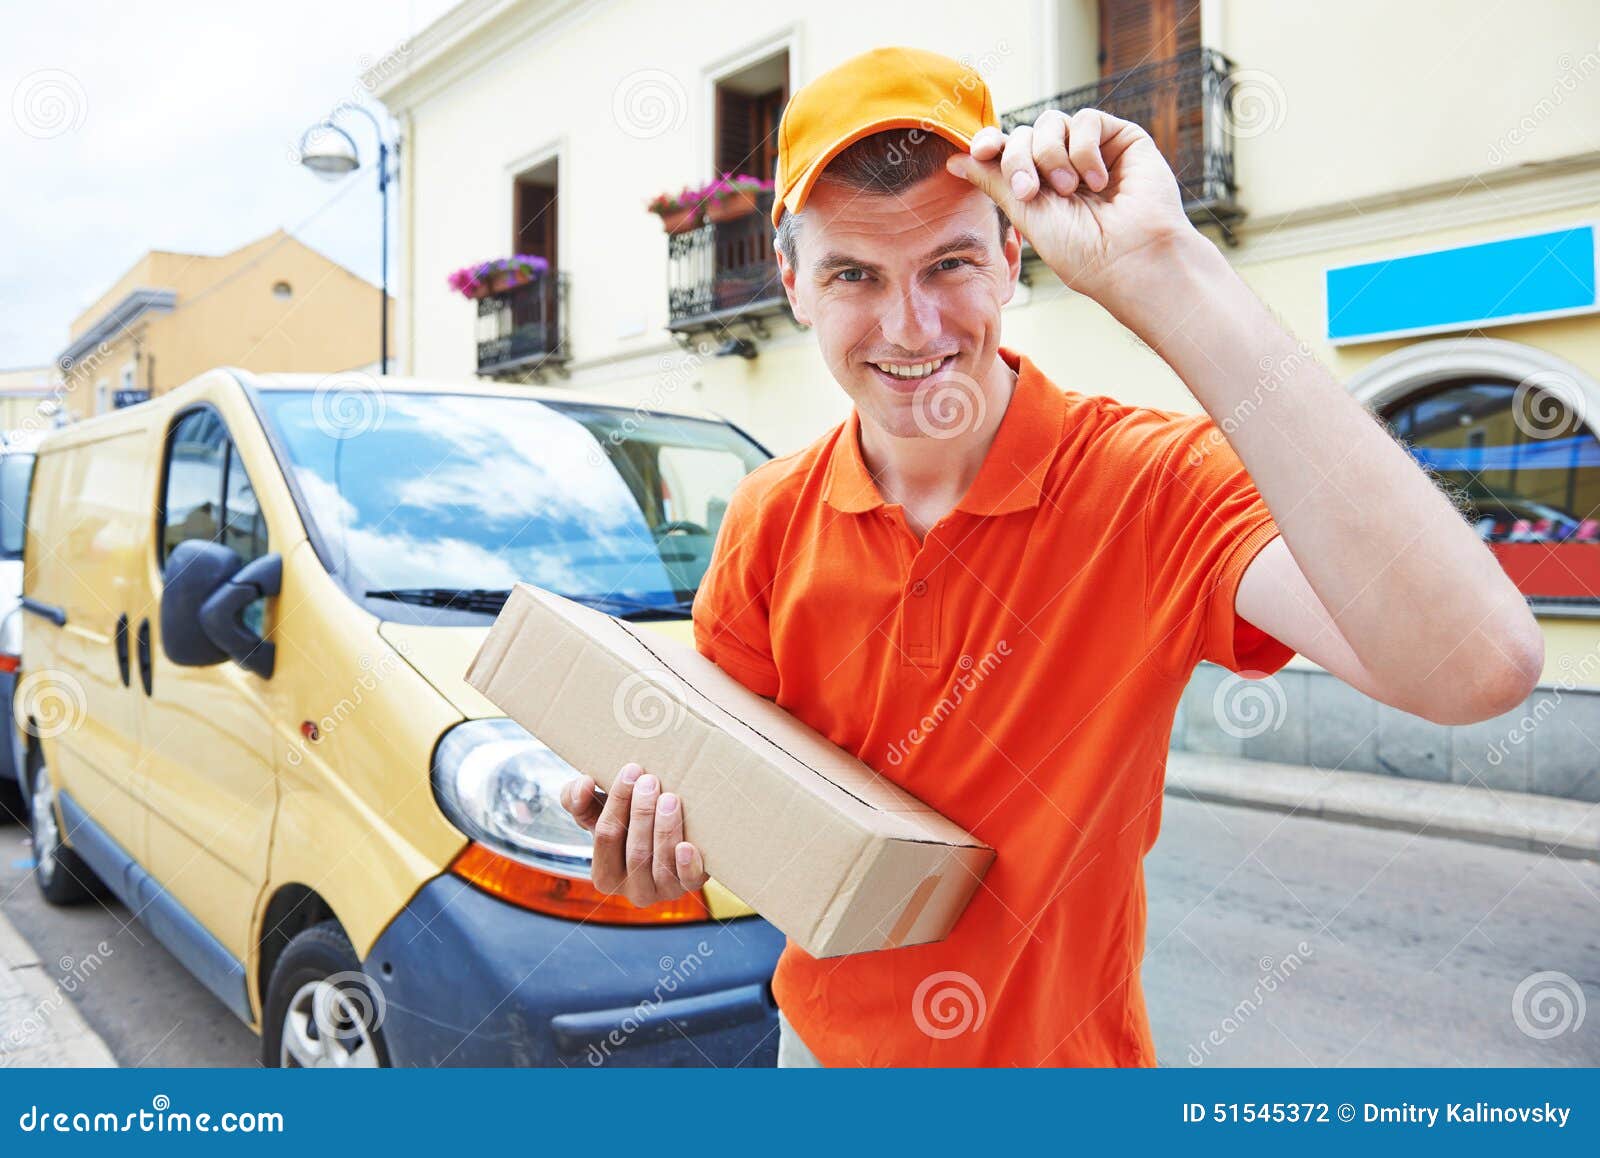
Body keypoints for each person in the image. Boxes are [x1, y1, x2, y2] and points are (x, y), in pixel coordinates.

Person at [559, 46, 1543, 1066]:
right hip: (817, 1058)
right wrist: (660, 842)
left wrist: (1162, 266)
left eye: (950, 263)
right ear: (792, 281)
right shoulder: (766, 516)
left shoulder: (1150, 483)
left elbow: (1476, 667)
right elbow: (752, 806)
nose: (912, 328)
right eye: (855, 273)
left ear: (1012, 258)